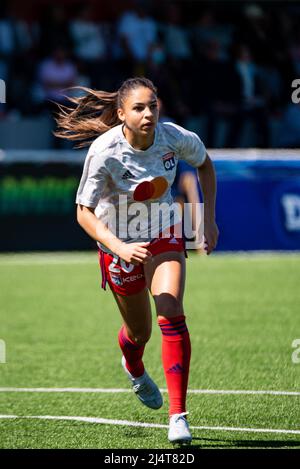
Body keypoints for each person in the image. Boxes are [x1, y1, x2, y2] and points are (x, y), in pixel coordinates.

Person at [55, 77, 219, 445]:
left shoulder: (173, 137)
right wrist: (119, 247)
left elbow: (205, 165)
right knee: (139, 333)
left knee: (170, 309)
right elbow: (84, 212)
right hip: (120, 244)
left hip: (164, 232)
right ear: (121, 114)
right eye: (139, 108)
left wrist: (207, 220)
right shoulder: (104, 151)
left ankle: (178, 416)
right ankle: (134, 366)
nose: (149, 114)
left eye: (153, 106)